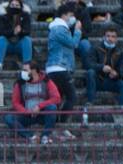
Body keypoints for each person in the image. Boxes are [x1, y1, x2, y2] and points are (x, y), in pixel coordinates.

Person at [44, 3, 81, 135]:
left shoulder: (59, 28)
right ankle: (61, 124)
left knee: (59, 98)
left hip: (58, 68)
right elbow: (73, 43)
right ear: (64, 15)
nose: (73, 18)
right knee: (72, 97)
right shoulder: (59, 28)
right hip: (58, 68)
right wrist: (77, 31)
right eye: (71, 15)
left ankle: (56, 126)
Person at [6, 61, 61, 142]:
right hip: (27, 115)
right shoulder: (20, 83)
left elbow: (56, 98)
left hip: (43, 114)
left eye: (25, 70)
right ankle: (31, 137)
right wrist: (26, 112)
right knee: (8, 118)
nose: (23, 72)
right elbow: (15, 102)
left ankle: (45, 136)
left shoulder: (46, 81)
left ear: (34, 71)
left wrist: (39, 106)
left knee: (52, 107)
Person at [88, 27, 123, 106]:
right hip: (97, 80)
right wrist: (102, 67)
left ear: (116, 39)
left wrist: (116, 74)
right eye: (108, 36)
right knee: (90, 72)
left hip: (111, 81)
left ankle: (121, 110)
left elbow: (121, 69)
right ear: (104, 37)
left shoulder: (119, 52)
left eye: (113, 37)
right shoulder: (95, 48)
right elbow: (89, 64)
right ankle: (90, 102)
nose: (110, 39)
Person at [0, 0, 34, 71]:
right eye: (12, 5)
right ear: (9, 6)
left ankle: (27, 65)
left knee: (27, 39)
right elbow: (0, 31)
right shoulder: (3, 17)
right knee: (1, 38)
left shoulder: (25, 16)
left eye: (17, 5)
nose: (14, 7)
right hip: (7, 44)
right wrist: (13, 32)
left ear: (21, 6)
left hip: (20, 44)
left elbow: (28, 31)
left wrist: (20, 31)